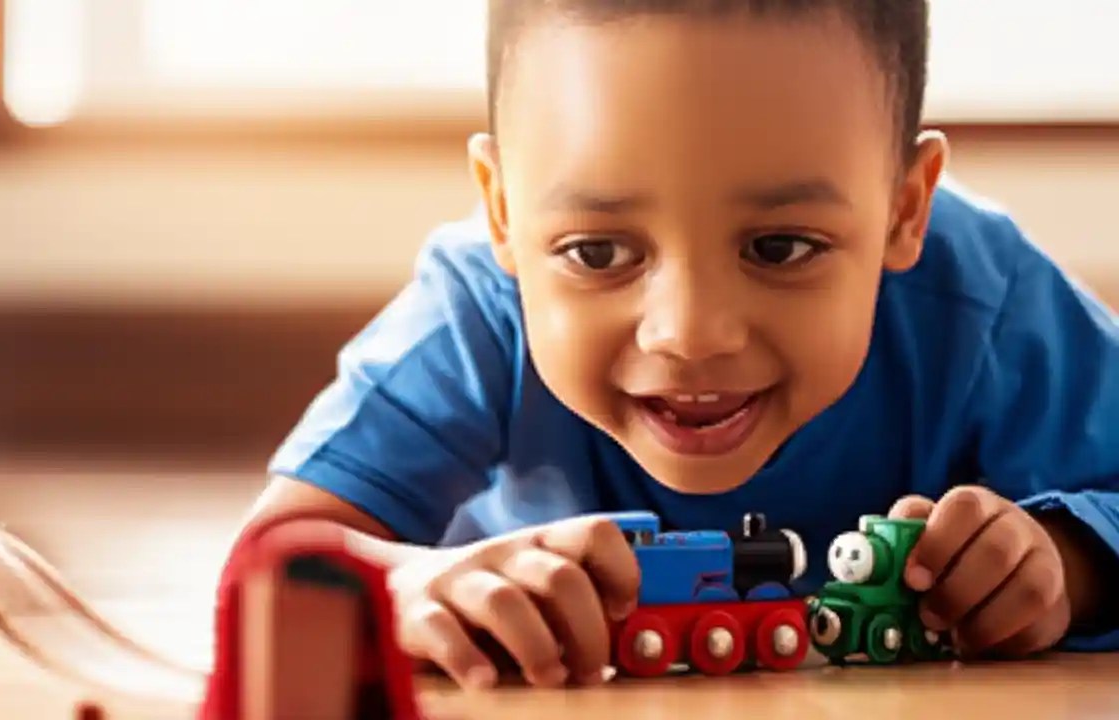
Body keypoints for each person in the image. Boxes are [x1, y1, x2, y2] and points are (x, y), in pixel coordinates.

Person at [241, 0, 1119, 689]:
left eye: (779, 247)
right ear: (503, 209)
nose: (690, 333)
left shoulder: (989, 305)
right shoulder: (478, 310)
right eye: (598, 252)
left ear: (904, 209)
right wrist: (398, 585)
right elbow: (279, 555)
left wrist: (1071, 563)